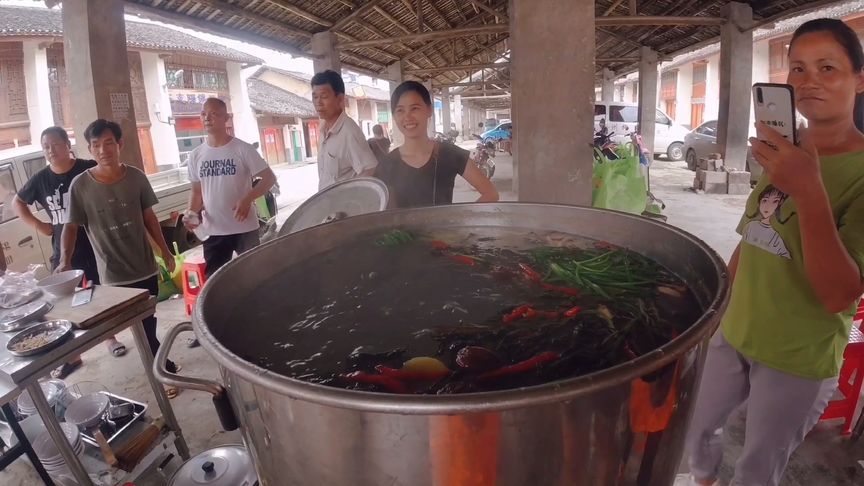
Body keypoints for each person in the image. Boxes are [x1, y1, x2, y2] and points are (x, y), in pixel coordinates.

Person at [676, 18, 864, 486]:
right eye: (797, 69)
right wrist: (715, 312)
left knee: (758, 466)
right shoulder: (784, 152)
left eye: (827, 68)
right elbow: (752, 235)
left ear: (859, 79)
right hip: (736, 330)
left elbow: (839, 295)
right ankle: (703, 481)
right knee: (695, 430)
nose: (809, 82)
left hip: (796, 355)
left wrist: (809, 189)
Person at [59, 119, 182, 397]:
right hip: (113, 272)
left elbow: (149, 217)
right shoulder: (80, 186)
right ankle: (162, 371)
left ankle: (161, 366)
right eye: (96, 145)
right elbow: (71, 226)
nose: (103, 150)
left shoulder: (136, 177)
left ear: (119, 144)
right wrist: (65, 259)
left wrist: (165, 252)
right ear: (90, 149)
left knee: (148, 321)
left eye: (108, 143)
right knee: (139, 326)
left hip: (144, 267)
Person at [13, 127, 126, 378]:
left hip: (94, 241)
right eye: (46, 147)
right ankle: (72, 356)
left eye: (55, 144)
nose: (50, 151)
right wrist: (40, 225)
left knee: (99, 292)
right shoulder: (41, 179)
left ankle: (110, 339)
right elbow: (17, 202)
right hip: (63, 248)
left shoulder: (86, 168)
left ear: (67, 144)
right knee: (65, 301)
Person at [185, 98, 276, 278]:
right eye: (204, 114)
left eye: (214, 114)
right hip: (214, 231)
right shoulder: (196, 155)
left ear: (226, 118)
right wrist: (191, 212)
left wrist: (248, 198)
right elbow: (196, 192)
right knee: (215, 281)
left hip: (245, 228)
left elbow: (269, 178)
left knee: (255, 278)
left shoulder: (242, 149)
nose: (207, 118)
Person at [376, 81, 499, 208]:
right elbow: (385, 214)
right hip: (402, 229)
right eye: (400, 110)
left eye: (415, 108)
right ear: (394, 116)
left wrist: (459, 221)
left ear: (429, 110)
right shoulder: (387, 165)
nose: (407, 117)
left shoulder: (450, 154)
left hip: (443, 229)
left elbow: (491, 193)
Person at [311, 70, 378, 190]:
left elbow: (370, 168)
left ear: (340, 99)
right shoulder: (323, 129)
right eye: (315, 97)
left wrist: (350, 199)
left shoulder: (349, 131)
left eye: (324, 97)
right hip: (327, 204)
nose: (318, 103)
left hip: (343, 206)